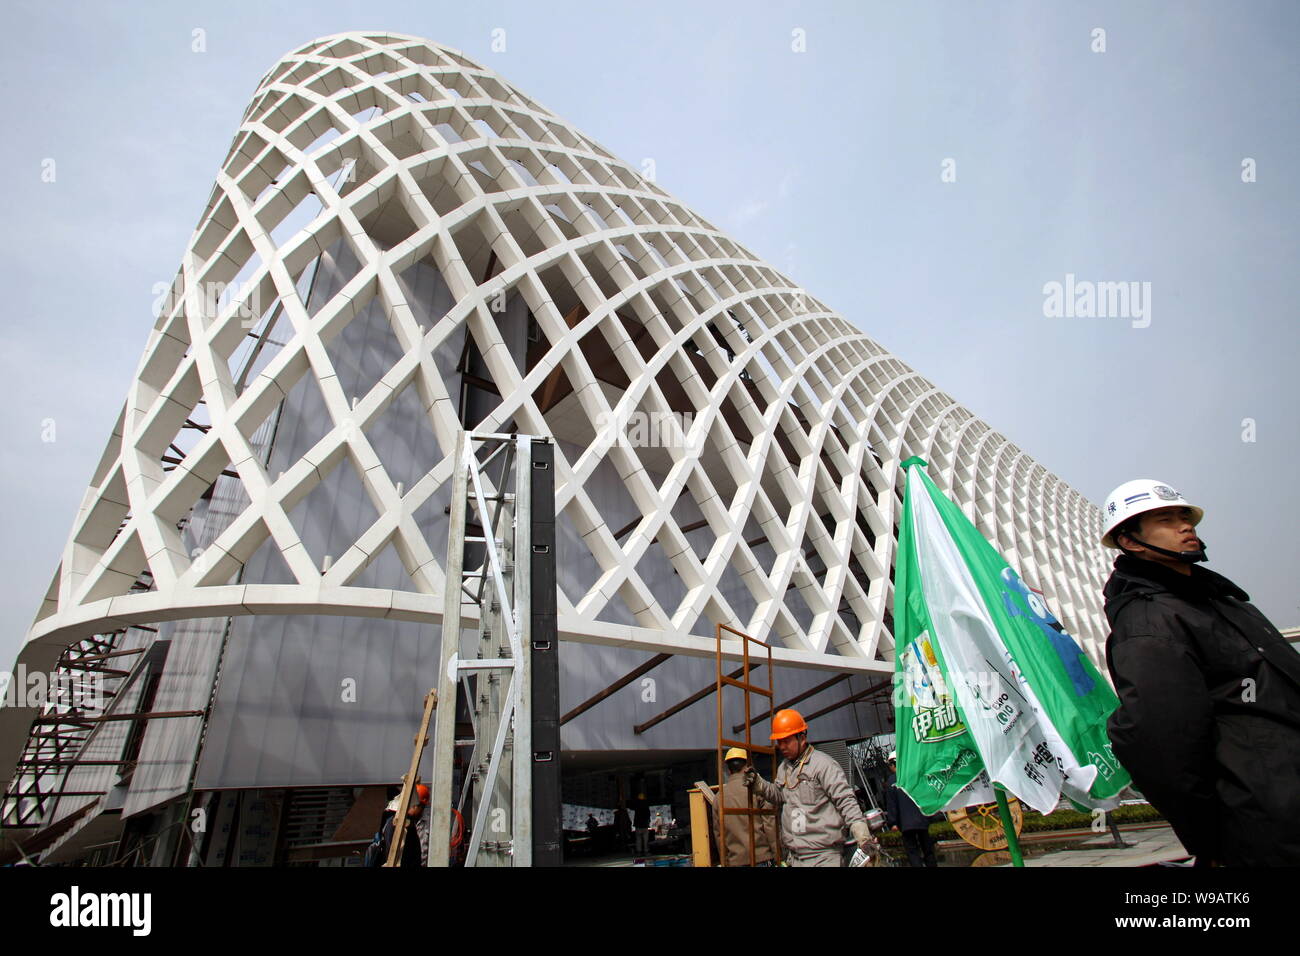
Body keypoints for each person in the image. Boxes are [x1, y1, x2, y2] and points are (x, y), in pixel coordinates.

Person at [1100, 478, 1300, 866]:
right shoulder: (1149, 621)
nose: (1185, 526)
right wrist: (1212, 837)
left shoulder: (1223, 601)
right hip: (1266, 819)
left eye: (1183, 516)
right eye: (1165, 520)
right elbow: (1161, 739)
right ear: (1131, 541)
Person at [745, 709, 879, 866]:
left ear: (802, 738)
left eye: (786, 741)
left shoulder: (824, 765)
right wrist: (759, 784)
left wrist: (863, 837)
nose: (782, 746)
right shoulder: (784, 769)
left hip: (824, 857)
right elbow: (780, 795)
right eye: (779, 742)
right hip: (795, 858)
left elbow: (845, 801)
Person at [713, 747, 779, 866]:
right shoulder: (757, 789)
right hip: (761, 858)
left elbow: (719, 834)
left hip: (736, 861)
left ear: (728, 769)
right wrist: (778, 855)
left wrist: (726, 862)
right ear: (748, 766)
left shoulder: (719, 797)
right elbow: (770, 825)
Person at [884, 751, 938, 867]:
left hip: (905, 823)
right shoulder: (915, 775)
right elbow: (926, 795)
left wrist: (893, 822)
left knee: (912, 851)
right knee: (927, 849)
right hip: (921, 819)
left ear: (893, 765)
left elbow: (891, 804)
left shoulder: (891, 781)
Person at [632, 791, 652, 856]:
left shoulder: (636, 805)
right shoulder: (646, 805)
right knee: (645, 839)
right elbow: (648, 814)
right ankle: (646, 851)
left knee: (638, 839)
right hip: (645, 825)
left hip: (638, 825)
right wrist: (648, 822)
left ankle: (639, 852)